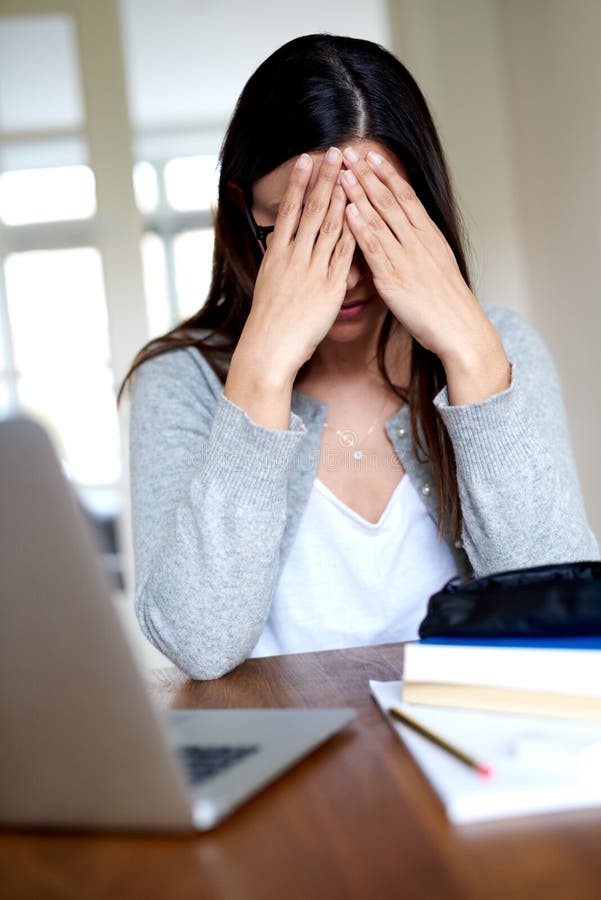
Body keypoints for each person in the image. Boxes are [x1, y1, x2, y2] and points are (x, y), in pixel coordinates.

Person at [119, 34, 598, 680]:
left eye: (371, 225)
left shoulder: (499, 349)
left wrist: (471, 356)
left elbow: (565, 623)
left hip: (466, 757)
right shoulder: (180, 382)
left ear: (421, 210)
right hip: (286, 764)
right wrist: (262, 372)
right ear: (243, 217)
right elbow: (196, 644)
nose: (345, 278)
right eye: (305, 231)